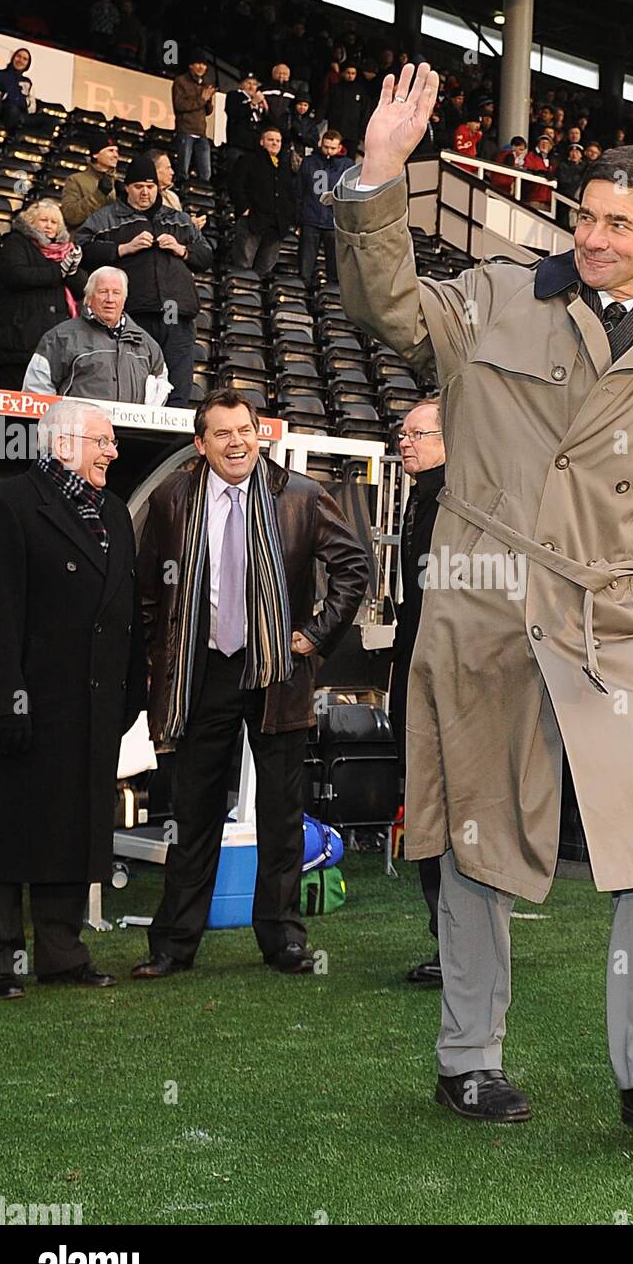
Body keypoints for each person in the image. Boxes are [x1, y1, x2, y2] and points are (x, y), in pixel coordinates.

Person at [330, 65, 633, 1147]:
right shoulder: (499, 293)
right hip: (484, 604)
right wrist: (378, 175)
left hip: (617, 627)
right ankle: (468, 1060)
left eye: (615, 223)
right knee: (473, 838)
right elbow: (383, 300)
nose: (590, 237)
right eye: (583, 215)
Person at [133, 390, 370, 978]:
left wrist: (315, 636)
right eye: (223, 433)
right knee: (194, 812)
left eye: (245, 430)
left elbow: (354, 567)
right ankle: (173, 946)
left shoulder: (300, 495)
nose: (237, 442)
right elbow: (146, 591)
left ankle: (284, 939)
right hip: (202, 671)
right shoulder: (171, 497)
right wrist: (156, 657)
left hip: (277, 673)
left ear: (259, 434)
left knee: (283, 813)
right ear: (200, 443)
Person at [0, 400, 146, 999]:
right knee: (5, 831)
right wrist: (6, 698)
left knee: (73, 828)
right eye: (102, 441)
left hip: (93, 708)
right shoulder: (8, 506)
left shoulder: (113, 513)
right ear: (62, 445)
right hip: (25, 707)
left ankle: (61, 952)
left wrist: (133, 693)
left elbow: (125, 614)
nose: (113, 451)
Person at [75, 153, 212, 407]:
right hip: (134, 314)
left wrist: (183, 250)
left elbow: (206, 255)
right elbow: (81, 250)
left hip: (175, 313)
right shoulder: (107, 217)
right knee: (132, 385)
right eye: (138, 187)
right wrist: (122, 248)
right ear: (127, 188)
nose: (145, 193)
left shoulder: (178, 219)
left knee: (178, 389)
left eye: (150, 187)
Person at [389, 400, 446, 986]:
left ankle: (458, 943)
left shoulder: (453, 500)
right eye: (401, 434)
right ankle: (448, 940)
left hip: (443, 683)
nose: (404, 442)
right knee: (427, 808)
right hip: (415, 671)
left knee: (444, 811)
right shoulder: (420, 497)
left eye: (416, 434)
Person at [24, 266, 171, 404]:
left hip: (130, 431)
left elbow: (161, 387)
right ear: (88, 298)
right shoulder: (59, 338)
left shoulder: (147, 344)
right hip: (78, 430)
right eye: (103, 292)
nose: (110, 299)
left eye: (116, 293)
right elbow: (36, 392)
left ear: (124, 300)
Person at [0, 202, 85, 392]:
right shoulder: (16, 242)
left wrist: (71, 271)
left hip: (53, 346)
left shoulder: (65, 251)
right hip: (17, 343)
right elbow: (16, 275)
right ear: (31, 222)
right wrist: (59, 272)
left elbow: (81, 288)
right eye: (44, 220)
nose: (49, 225)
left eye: (54, 222)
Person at [230, 125, 296, 276]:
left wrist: (289, 216)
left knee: (265, 270)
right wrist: (244, 208)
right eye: (270, 139)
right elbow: (236, 185)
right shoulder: (248, 159)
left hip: (276, 226)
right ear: (261, 142)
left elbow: (290, 194)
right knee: (243, 267)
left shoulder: (284, 166)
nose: (275, 143)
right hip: (253, 221)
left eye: (278, 141)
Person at [297, 129, 353, 288]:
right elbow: (300, 190)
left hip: (334, 223)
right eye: (326, 147)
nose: (329, 151)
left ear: (340, 147)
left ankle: (331, 297)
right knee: (305, 266)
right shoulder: (309, 162)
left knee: (334, 267)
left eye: (333, 148)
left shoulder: (348, 166)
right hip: (311, 219)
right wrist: (299, 218)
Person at [60, 132, 120, 235]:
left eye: (117, 151)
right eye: (111, 151)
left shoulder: (119, 184)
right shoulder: (75, 180)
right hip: (85, 241)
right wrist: (99, 194)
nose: (116, 155)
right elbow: (70, 216)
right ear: (95, 154)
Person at [171, 51, 215, 183]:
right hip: (186, 131)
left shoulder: (206, 83)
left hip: (201, 132)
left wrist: (208, 100)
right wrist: (202, 99)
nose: (201, 67)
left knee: (206, 173)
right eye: (197, 63)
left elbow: (208, 111)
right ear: (190, 65)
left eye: (204, 64)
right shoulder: (180, 81)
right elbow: (179, 105)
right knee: (182, 170)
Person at [146, 148, 206, 229]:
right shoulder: (145, 198)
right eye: (168, 168)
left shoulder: (172, 196)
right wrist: (188, 226)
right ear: (155, 171)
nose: (172, 172)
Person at [223, 73, 268, 176]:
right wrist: (252, 104)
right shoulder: (234, 95)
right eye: (248, 83)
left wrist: (265, 109)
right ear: (241, 84)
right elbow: (234, 113)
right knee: (235, 175)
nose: (251, 86)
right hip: (238, 145)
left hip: (254, 147)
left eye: (255, 84)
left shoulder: (259, 101)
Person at [323, 62, 368, 158]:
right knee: (333, 157)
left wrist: (362, 131)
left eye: (353, 73)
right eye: (348, 73)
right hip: (336, 131)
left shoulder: (360, 90)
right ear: (343, 73)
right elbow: (325, 105)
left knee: (350, 160)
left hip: (353, 133)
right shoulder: (335, 89)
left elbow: (365, 111)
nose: (350, 76)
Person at [0, 48, 36, 131]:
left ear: (28, 64)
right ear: (13, 57)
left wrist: (25, 102)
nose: (20, 60)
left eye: (25, 59)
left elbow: (32, 108)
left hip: (16, 116)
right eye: (18, 56)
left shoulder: (27, 83)